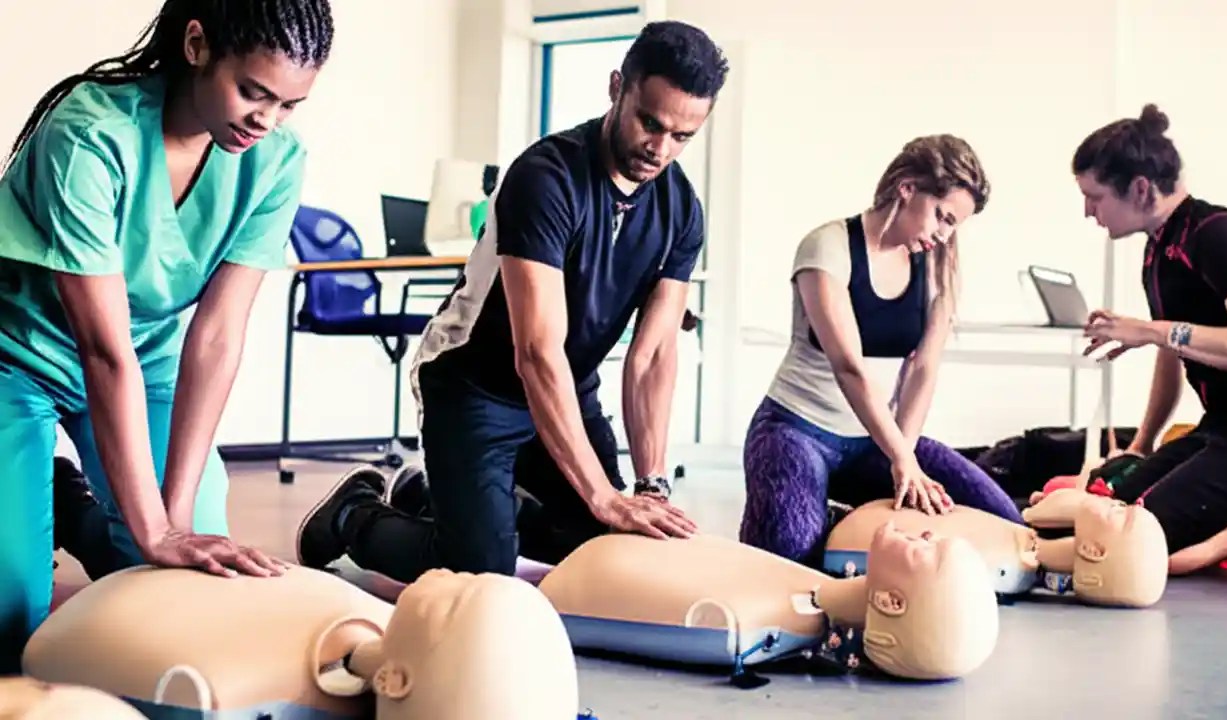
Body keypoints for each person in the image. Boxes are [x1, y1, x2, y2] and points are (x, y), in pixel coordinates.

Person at [295, 21, 728, 582]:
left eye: (683, 136)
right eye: (651, 122)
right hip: (475, 384)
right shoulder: (546, 177)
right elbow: (537, 351)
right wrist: (601, 494)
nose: (661, 148)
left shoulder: (682, 210)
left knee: (607, 544)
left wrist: (649, 485)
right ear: (618, 86)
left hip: (569, 388)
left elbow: (651, 357)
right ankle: (354, 513)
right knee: (480, 570)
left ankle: (437, 498)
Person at [0, 0, 333, 672]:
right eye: (253, 91)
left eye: (289, 104)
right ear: (196, 44)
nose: (265, 120)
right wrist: (153, 528)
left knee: (191, 567)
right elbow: (102, 351)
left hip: (146, 355)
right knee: (10, 613)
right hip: (16, 355)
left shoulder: (275, 161)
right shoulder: (90, 133)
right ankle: (57, 500)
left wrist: (174, 520)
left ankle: (75, 509)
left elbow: (216, 333)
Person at [738, 135, 1024, 567]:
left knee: (1007, 522)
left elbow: (923, 368)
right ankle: (827, 520)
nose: (944, 235)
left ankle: (839, 517)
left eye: (954, 226)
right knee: (790, 556)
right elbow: (848, 366)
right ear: (907, 188)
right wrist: (902, 458)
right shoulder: (827, 246)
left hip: (879, 442)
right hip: (795, 431)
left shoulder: (935, 266)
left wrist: (902, 457)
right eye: (941, 217)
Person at [1072, 103, 1227, 571]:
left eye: (1095, 196)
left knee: (1128, 545)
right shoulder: (1159, 250)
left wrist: (1151, 331)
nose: (1088, 211)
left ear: (1140, 188)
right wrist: (1142, 444)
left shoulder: (1216, 235)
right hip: (1225, 431)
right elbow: (1172, 352)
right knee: (1100, 514)